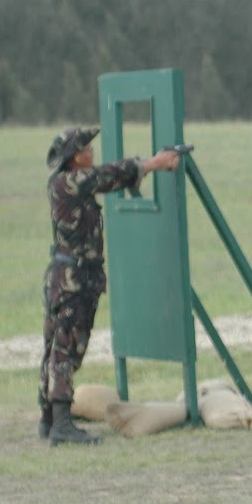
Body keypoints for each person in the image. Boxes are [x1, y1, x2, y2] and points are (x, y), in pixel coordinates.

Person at [40, 128, 182, 445]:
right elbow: (109, 175)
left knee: (56, 347)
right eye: (87, 150)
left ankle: (49, 418)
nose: (92, 153)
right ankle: (60, 424)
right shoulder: (71, 181)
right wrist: (153, 163)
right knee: (65, 349)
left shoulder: (66, 182)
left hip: (69, 276)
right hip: (73, 279)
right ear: (75, 158)